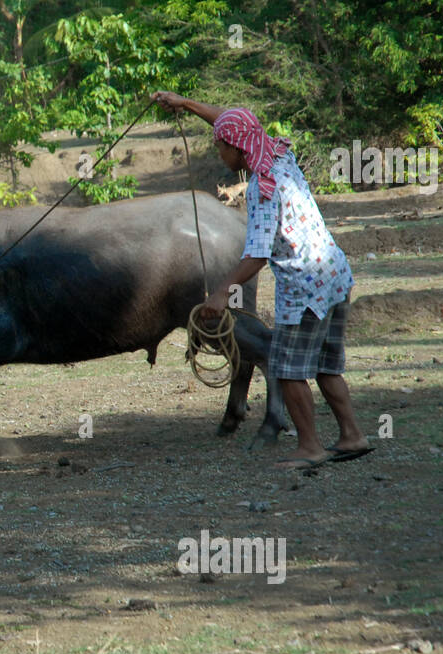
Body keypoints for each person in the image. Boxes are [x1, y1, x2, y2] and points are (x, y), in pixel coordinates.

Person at [151, 92, 371, 469]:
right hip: (334, 275)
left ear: (238, 148)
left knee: (286, 369)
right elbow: (236, 121)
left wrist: (221, 293)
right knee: (325, 365)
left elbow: (256, 254)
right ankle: (352, 435)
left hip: (305, 289)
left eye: (222, 147)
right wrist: (186, 104)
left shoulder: (262, 190)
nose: (220, 153)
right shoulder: (279, 156)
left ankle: (310, 447)